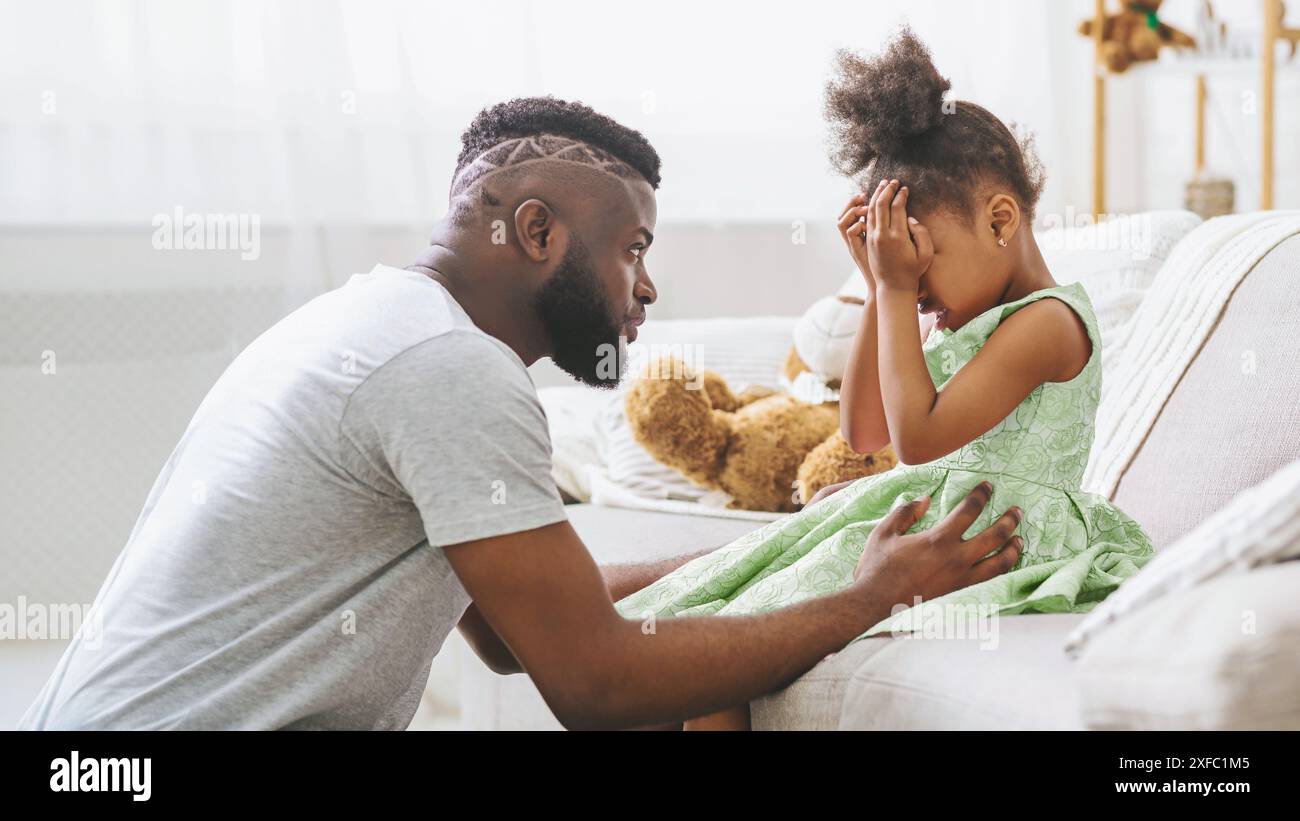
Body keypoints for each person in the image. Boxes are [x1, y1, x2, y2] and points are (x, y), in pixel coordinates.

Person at [20, 96, 1022, 731]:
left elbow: (508, 628)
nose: (648, 288)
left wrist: (792, 547)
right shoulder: (450, 366)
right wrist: (863, 596)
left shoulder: (365, 322)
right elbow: (598, 685)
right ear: (536, 229)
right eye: (632, 248)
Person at [614, 28, 1155, 730]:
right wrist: (878, 288)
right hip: (935, 522)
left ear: (1000, 219)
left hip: (991, 537)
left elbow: (920, 438)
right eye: (902, 266)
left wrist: (899, 293)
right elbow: (867, 430)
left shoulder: (1049, 322)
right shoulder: (957, 316)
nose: (915, 287)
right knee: (702, 628)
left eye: (919, 263)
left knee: (727, 651)